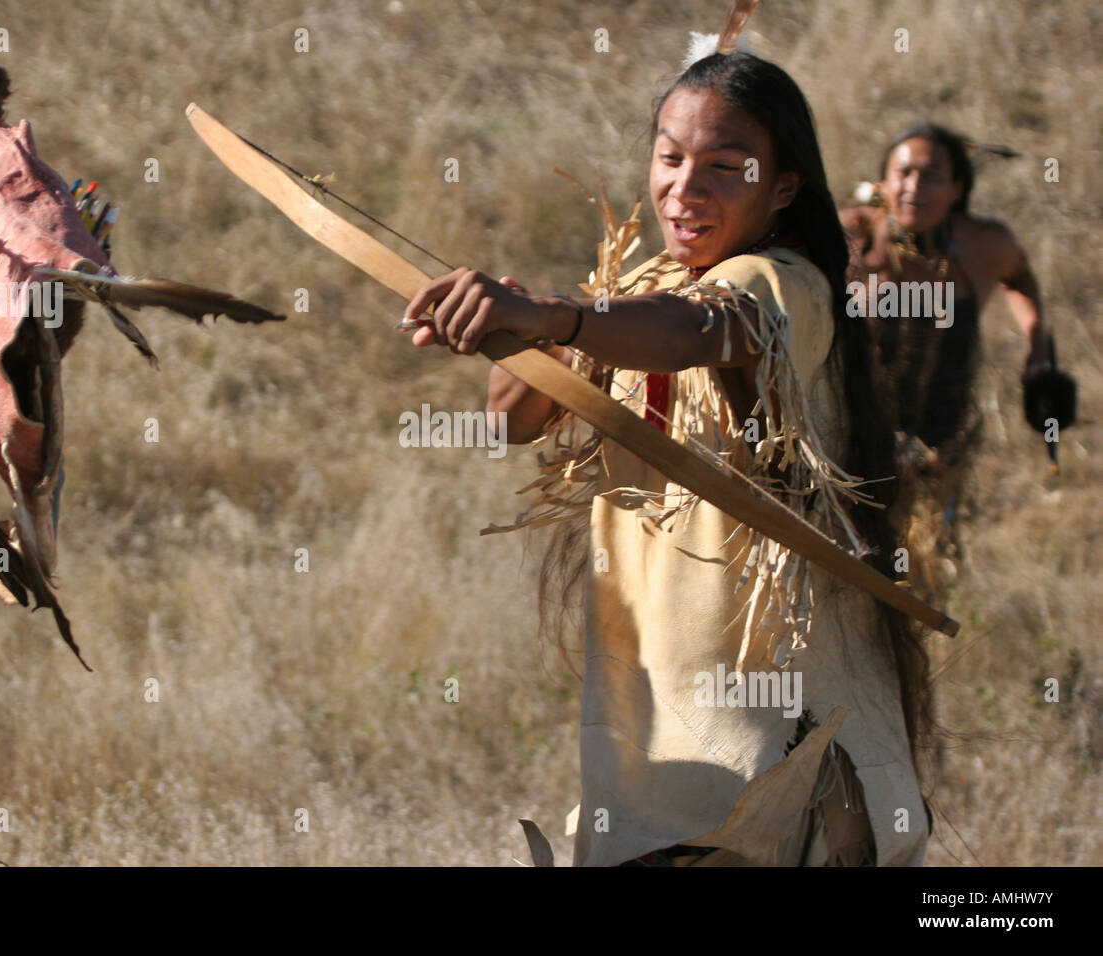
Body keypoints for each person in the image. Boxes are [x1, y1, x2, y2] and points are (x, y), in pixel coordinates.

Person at [401, 49, 932, 865]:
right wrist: (513, 333)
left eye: (727, 167)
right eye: (670, 157)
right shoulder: (639, 290)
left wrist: (557, 314)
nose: (685, 189)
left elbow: (701, 331)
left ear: (782, 188)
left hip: (777, 721)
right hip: (656, 714)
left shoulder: (783, 282)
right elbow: (512, 419)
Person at [840, 125, 1049, 587]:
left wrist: (1038, 345)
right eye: (904, 174)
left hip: (939, 456)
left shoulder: (981, 245)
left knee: (922, 585)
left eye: (933, 176)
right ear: (883, 184)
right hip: (851, 453)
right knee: (848, 579)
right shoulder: (854, 238)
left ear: (958, 189)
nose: (915, 188)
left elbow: (1020, 278)